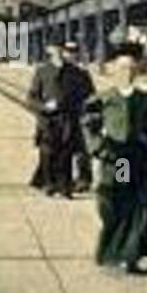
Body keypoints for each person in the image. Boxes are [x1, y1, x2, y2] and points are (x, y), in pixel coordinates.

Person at [82, 43, 147, 273]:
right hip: (119, 159)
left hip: (139, 158)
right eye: (121, 68)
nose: (126, 73)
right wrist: (99, 148)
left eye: (130, 68)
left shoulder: (146, 99)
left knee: (142, 205)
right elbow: (89, 127)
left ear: (136, 71)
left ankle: (132, 254)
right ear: (113, 71)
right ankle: (115, 250)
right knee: (118, 200)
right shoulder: (104, 99)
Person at [28, 43, 74, 197]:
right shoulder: (42, 72)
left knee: (66, 153)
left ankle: (65, 186)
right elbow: (31, 97)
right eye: (55, 48)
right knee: (47, 153)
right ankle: (49, 184)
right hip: (47, 120)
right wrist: (44, 106)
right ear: (49, 50)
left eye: (61, 48)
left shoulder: (74, 72)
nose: (59, 52)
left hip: (67, 118)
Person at [60, 41, 95, 192]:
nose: (72, 55)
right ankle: (61, 180)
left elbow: (91, 94)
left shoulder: (83, 73)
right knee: (63, 148)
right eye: (69, 52)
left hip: (80, 115)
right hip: (64, 115)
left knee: (82, 150)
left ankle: (84, 179)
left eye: (74, 52)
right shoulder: (59, 71)